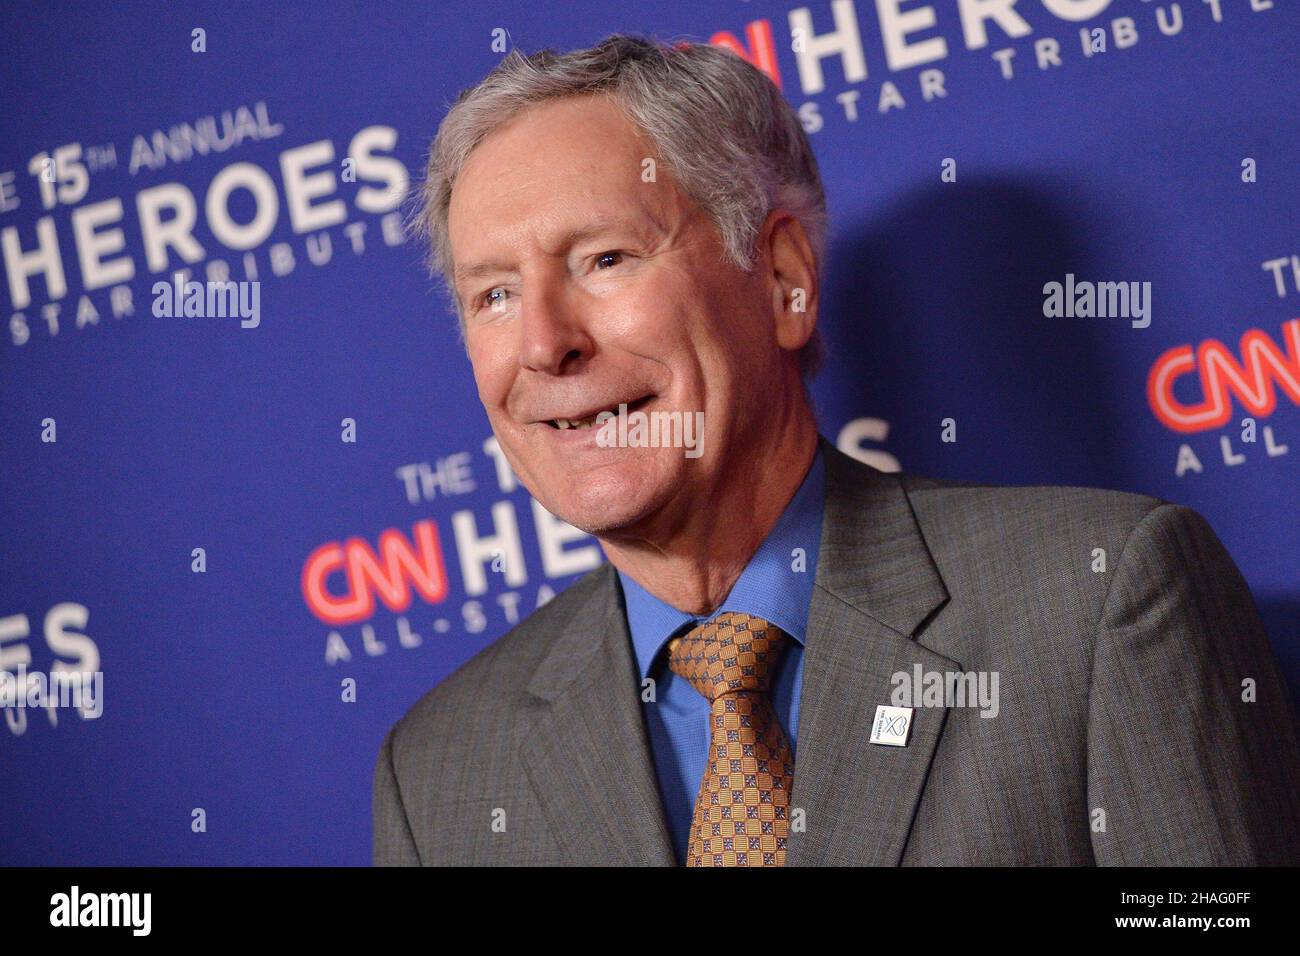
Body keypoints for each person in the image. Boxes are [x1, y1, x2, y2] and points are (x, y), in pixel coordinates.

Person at [373, 34, 1300, 866]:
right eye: (491, 294)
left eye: (604, 260)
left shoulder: (1101, 609)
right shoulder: (442, 776)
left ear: (781, 281)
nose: (542, 343)